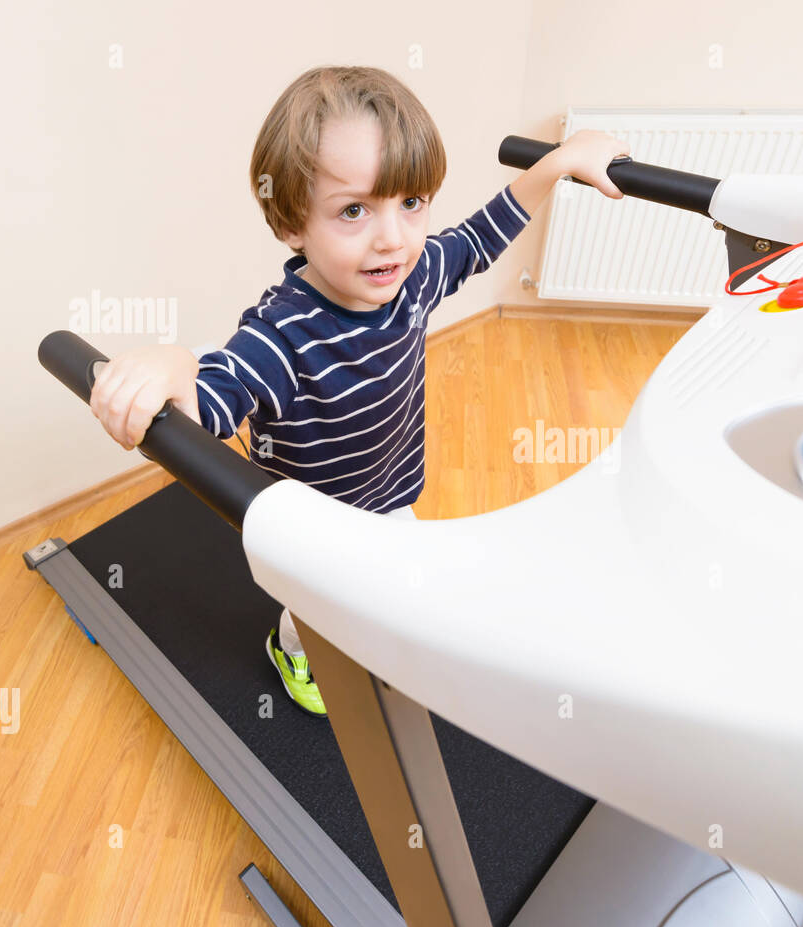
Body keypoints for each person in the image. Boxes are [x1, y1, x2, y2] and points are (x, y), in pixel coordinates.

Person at [88, 64, 629, 715]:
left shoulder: (415, 273)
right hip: (310, 527)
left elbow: (483, 235)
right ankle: (289, 646)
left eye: (410, 203)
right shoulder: (282, 332)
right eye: (353, 210)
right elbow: (209, 399)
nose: (392, 238)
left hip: (391, 492)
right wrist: (175, 363)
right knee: (316, 614)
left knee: (399, 583)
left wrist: (561, 163)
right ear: (292, 223)